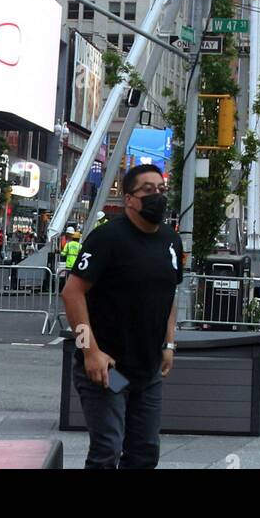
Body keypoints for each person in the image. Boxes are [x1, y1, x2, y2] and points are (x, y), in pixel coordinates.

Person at [60, 166, 185, 469]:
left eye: (161, 189)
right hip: (110, 370)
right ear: (129, 199)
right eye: (147, 190)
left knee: (144, 453)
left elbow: (169, 295)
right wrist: (90, 351)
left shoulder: (170, 240)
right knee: (108, 451)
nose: (157, 196)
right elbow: (71, 293)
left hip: (148, 371)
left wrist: (169, 344)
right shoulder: (107, 239)